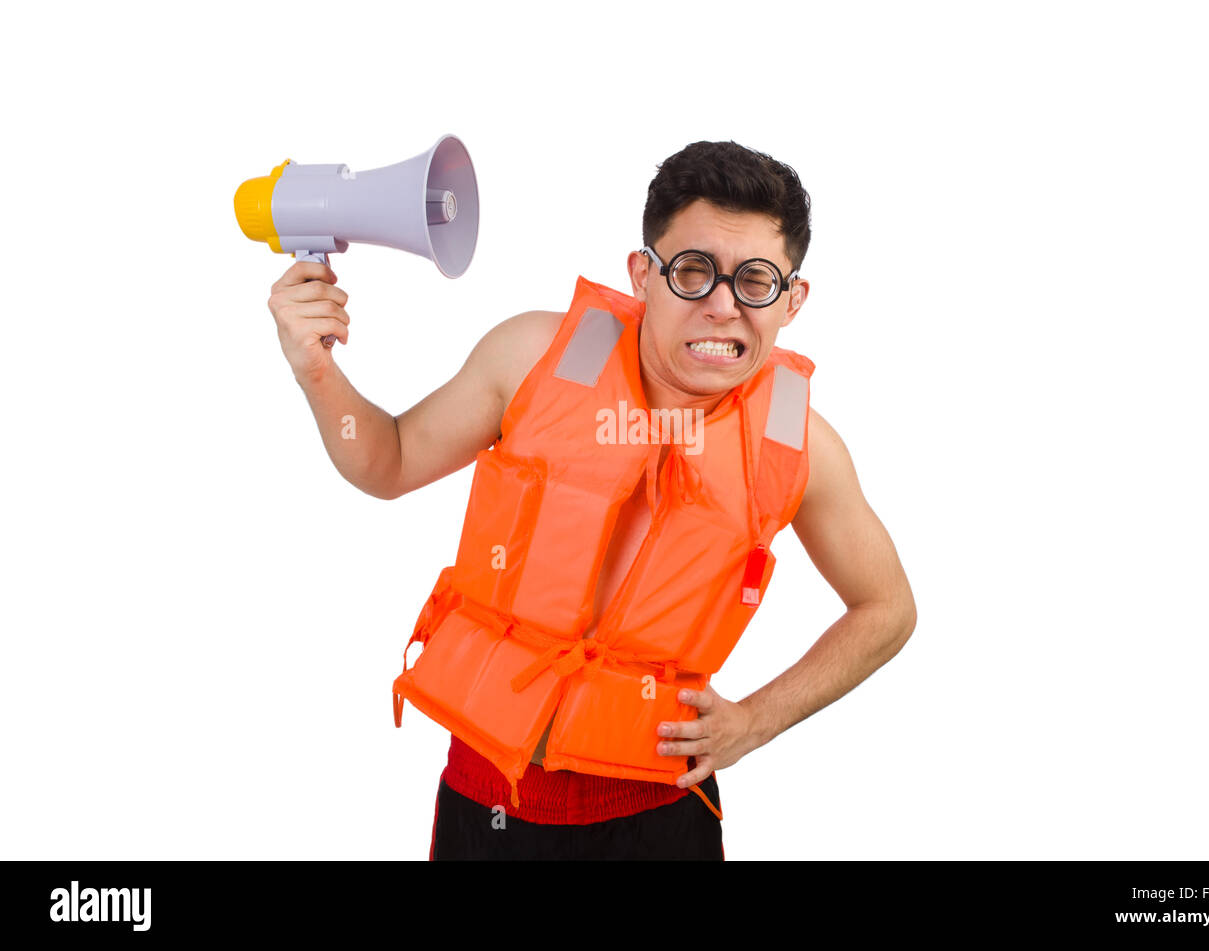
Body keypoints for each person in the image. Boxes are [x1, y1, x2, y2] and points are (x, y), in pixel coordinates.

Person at [264, 140, 917, 860]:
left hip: (659, 818)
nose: (723, 306)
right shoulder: (532, 356)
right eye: (693, 271)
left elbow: (888, 608)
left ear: (792, 300)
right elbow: (384, 461)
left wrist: (756, 721)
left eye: (756, 280)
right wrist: (316, 369)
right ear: (643, 274)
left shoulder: (802, 447)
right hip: (488, 806)